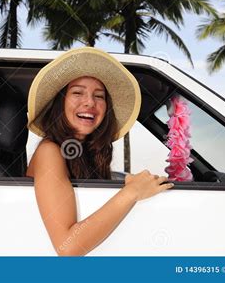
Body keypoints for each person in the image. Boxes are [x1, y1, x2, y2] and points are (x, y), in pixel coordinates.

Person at [26, 47, 174, 256]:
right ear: (60, 103)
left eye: (99, 96)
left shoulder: (90, 154)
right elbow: (67, 247)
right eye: (77, 92)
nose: (89, 102)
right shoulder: (50, 151)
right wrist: (132, 192)